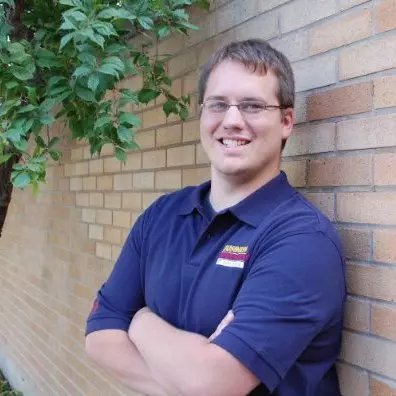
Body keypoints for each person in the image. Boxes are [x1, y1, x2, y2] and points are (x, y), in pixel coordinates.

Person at [85, 39, 346, 396]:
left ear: (286, 122)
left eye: (252, 106)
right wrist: (188, 378)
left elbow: (213, 384)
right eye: (218, 104)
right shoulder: (162, 216)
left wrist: (141, 321)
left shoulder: (302, 241)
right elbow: (99, 337)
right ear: (202, 115)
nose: (232, 120)